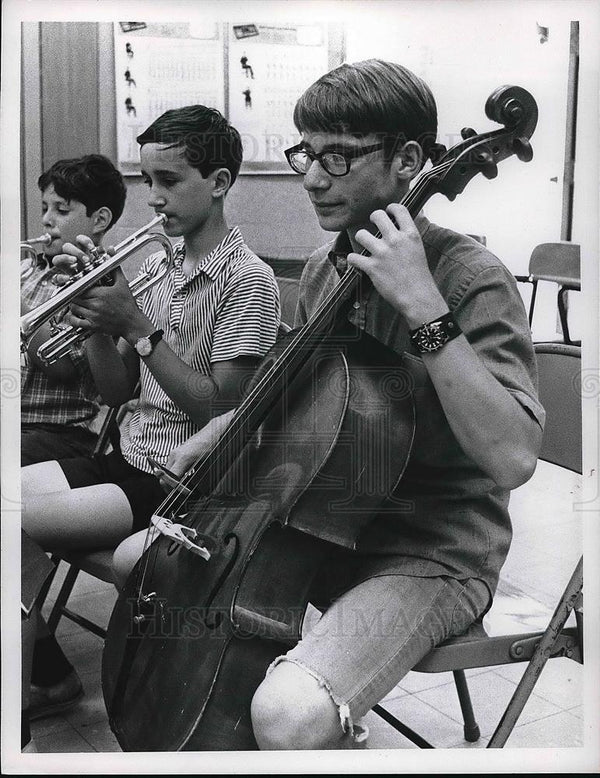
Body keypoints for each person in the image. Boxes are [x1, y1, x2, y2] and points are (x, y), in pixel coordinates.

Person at [112, 60, 544, 751]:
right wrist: (226, 426)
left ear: (408, 160)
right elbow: (307, 398)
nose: (312, 177)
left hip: (430, 550)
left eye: (337, 156)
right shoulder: (326, 269)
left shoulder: (470, 276)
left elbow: (513, 456)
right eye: (306, 153)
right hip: (323, 522)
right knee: (139, 559)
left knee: (286, 714)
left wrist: (424, 306)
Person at [20, 105, 280, 737]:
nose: (154, 199)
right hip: (124, 456)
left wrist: (137, 327)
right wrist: (93, 318)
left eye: (169, 181)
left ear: (218, 183)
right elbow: (115, 389)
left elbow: (219, 410)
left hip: (181, 482)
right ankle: (34, 675)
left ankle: (33, 685)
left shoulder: (249, 281)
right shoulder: (158, 266)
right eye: (147, 181)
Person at [21, 154, 127, 466]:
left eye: (61, 210)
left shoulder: (103, 289)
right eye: (44, 208)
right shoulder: (28, 271)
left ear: (100, 220)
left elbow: (60, 368)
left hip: (58, 434)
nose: (46, 219)